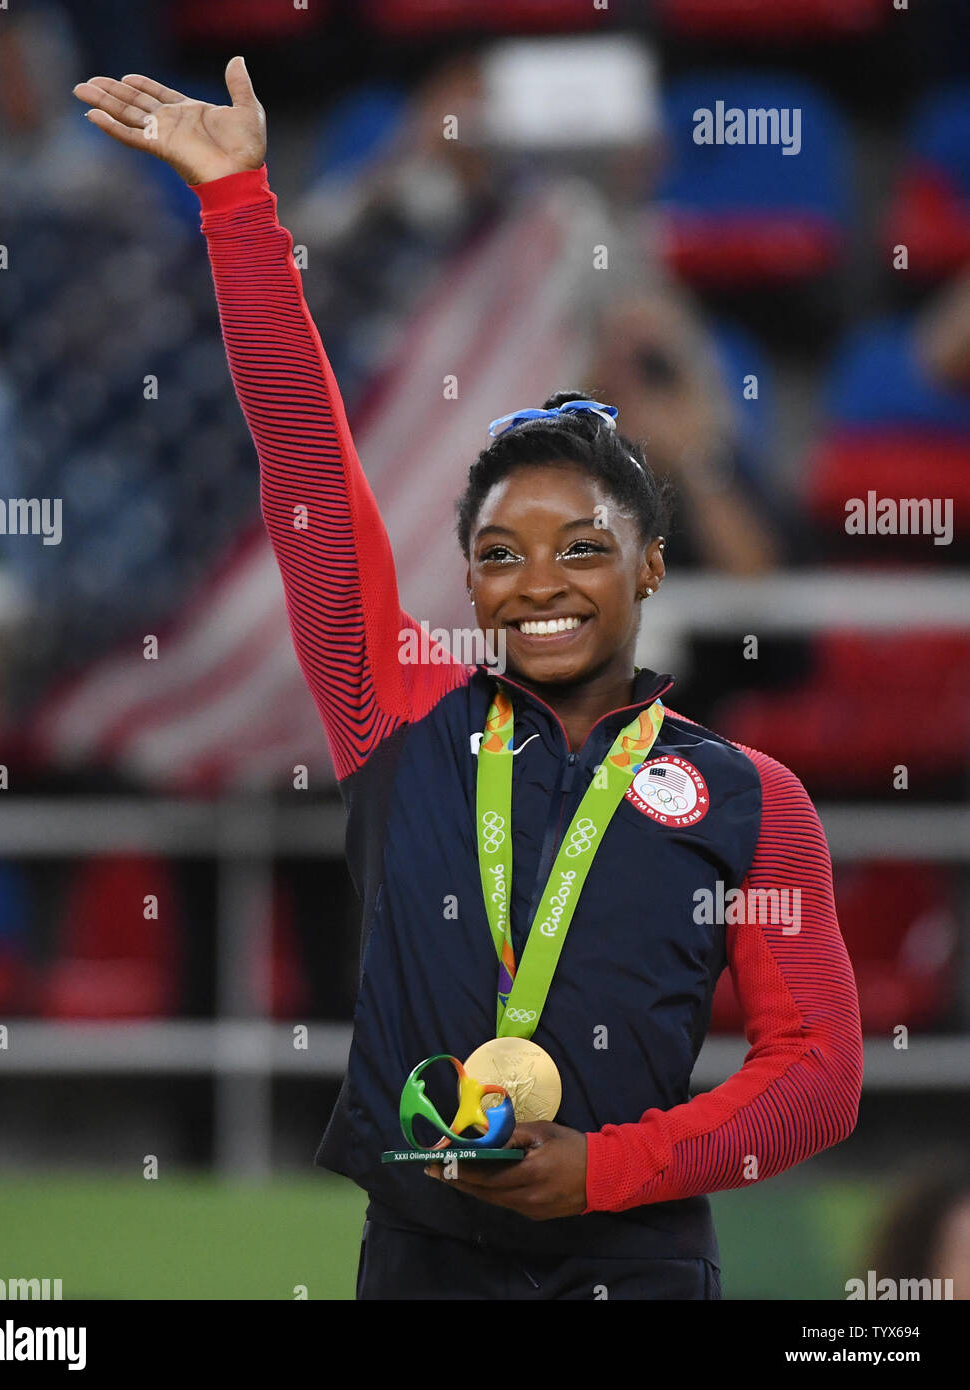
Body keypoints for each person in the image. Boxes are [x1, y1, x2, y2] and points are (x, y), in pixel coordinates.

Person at [73, 58, 863, 1301]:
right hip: (421, 1264)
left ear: (650, 565)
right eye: (500, 552)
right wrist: (238, 206)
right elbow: (306, 471)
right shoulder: (400, 714)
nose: (538, 580)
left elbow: (818, 1071)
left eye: (581, 547)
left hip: (642, 1264)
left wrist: (606, 1170)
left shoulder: (751, 801)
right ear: (471, 581)